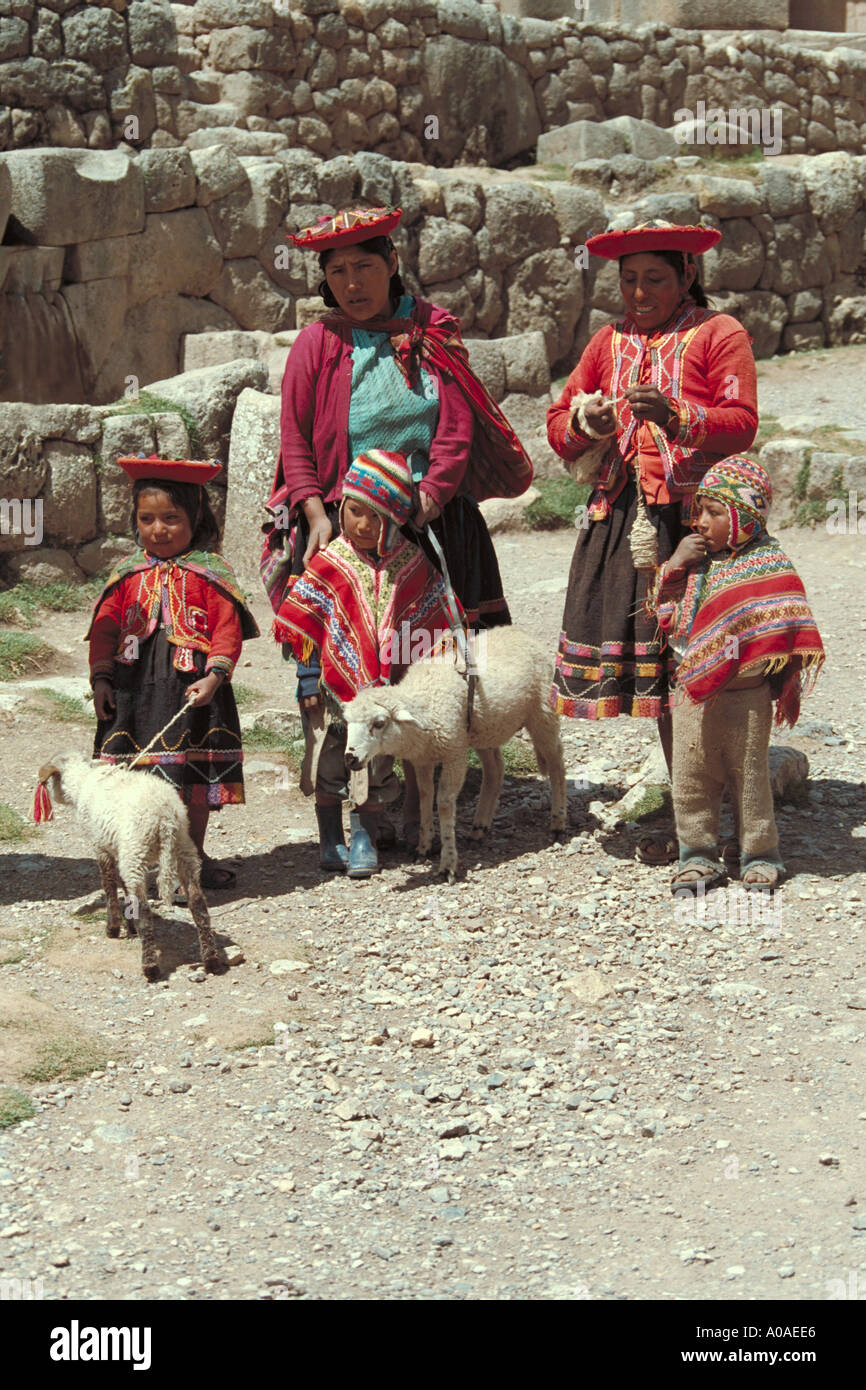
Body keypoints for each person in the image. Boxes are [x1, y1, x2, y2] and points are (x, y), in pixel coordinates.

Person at [262, 204, 533, 844]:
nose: (352, 282)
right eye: (337, 271)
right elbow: (294, 437)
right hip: (342, 523)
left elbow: (456, 431)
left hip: (427, 518)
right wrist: (314, 513)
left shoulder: (434, 332)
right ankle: (365, 806)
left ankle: (427, 797)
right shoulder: (317, 343)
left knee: (429, 664)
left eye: (364, 266)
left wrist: (427, 503)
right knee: (363, 665)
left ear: (392, 265)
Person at [547, 219, 760, 866]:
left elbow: (742, 423)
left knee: (709, 671)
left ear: (688, 275)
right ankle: (692, 816)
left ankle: (736, 818)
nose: (638, 293)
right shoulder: (608, 342)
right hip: (627, 524)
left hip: (699, 525)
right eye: (628, 280)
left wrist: (678, 417)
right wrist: (588, 419)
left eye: (655, 279)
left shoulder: (719, 335)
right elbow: (559, 425)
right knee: (666, 679)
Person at [274, 448, 464, 879]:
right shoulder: (330, 563)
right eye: (354, 510)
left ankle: (365, 834)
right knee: (328, 761)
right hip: (329, 691)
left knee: (377, 763)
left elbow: (433, 628)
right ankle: (329, 837)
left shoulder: (412, 565)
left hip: (380, 699)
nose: (362, 524)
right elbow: (306, 631)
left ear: (394, 518)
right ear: (341, 507)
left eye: (375, 517)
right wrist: (307, 680)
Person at [646, 456, 825, 894]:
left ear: (745, 515)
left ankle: (760, 854)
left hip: (747, 696)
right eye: (699, 511)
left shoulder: (769, 563)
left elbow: (786, 624)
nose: (700, 522)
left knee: (750, 780)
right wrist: (674, 563)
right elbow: (665, 613)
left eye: (715, 512)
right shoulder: (698, 562)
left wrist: (773, 674)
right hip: (691, 694)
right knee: (691, 780)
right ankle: (697, 855)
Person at [87, 455, 259, 889]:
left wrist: (215, 676)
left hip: (193, 689)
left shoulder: (210, 572)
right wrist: (101, 679)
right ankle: (140, 863)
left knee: (190, 778)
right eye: (146, 519)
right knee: (135, 780)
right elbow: (105, 630)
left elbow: (226, 628)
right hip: (133, 689)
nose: (157, 529)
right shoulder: (126, 575)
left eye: (171, 518)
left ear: (195, 518)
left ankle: (191, 859)